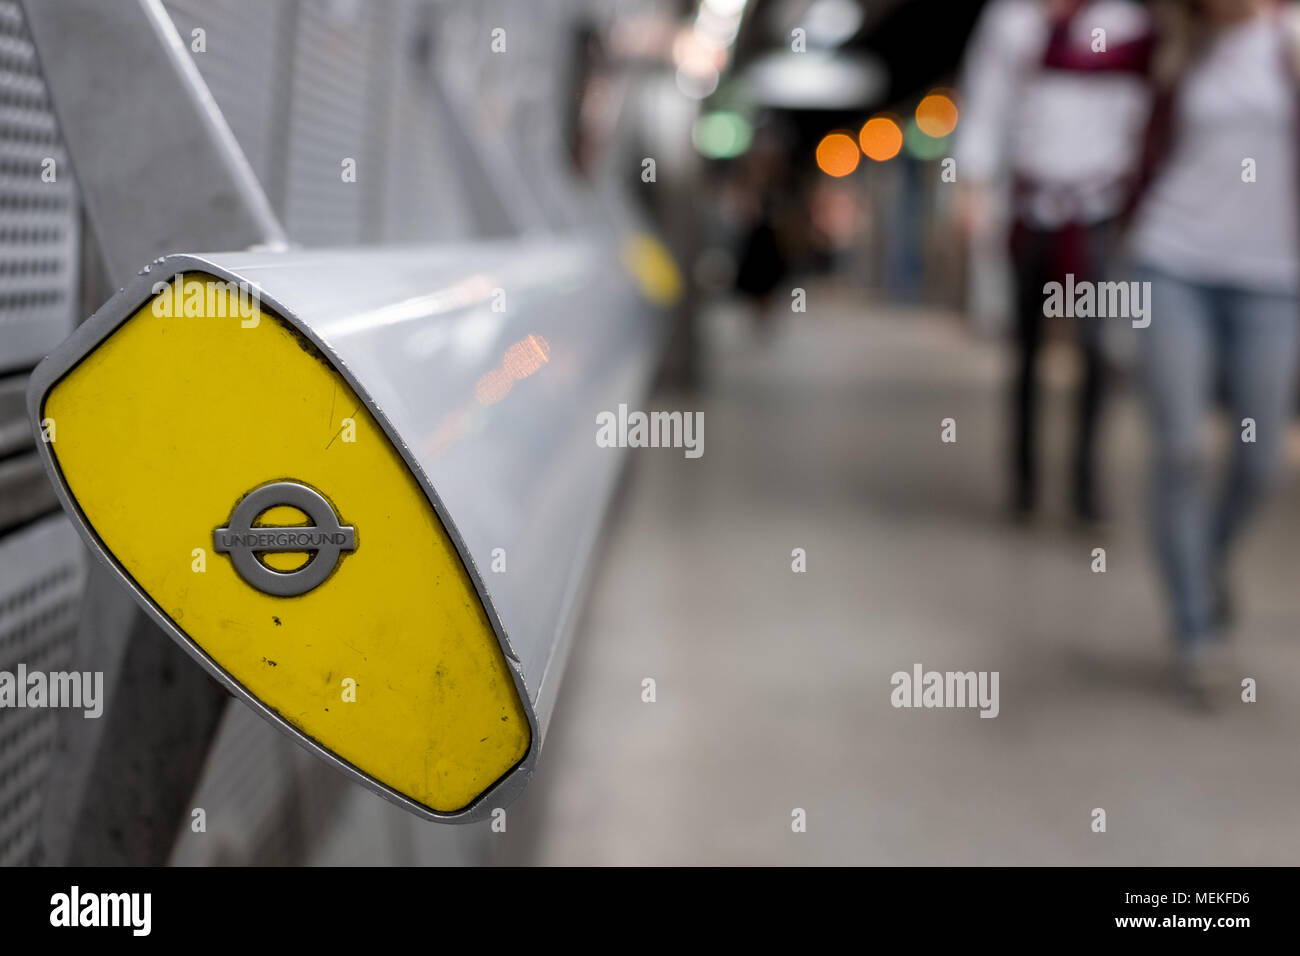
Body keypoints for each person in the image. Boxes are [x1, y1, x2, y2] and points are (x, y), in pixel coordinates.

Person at [1127, 0, 1300, 698]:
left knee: (1258, 462)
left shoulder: (1290, 38)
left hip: (1273, 278)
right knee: (1181, 448)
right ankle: (1195, 631)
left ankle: (1205, 561)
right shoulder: (1168, 47)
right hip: (1171, 263)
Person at [956, 0, 1155, 521]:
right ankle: (1022, 481)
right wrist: (973, 187)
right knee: (1026, 348)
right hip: (1031, 209)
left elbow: (1144, 115)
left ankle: (1085, 484)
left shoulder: (1127, 24)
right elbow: (986, 105)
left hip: (1098, 213)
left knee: (1094, 349)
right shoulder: (1009, 20)